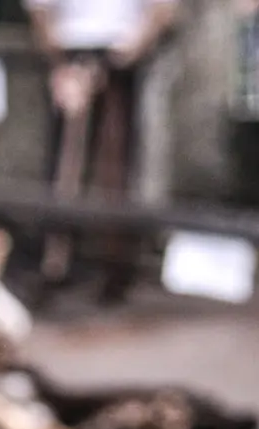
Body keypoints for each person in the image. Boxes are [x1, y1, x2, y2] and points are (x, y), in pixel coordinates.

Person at [28, 0, 178, 292]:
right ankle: (57, 256)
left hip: (121, 52)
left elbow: (163, 8)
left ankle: (114, 258)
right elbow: (40, 10)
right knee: (65, 165)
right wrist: (59, 60)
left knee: (114, 161)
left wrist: (134, 48)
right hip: (71, 51)